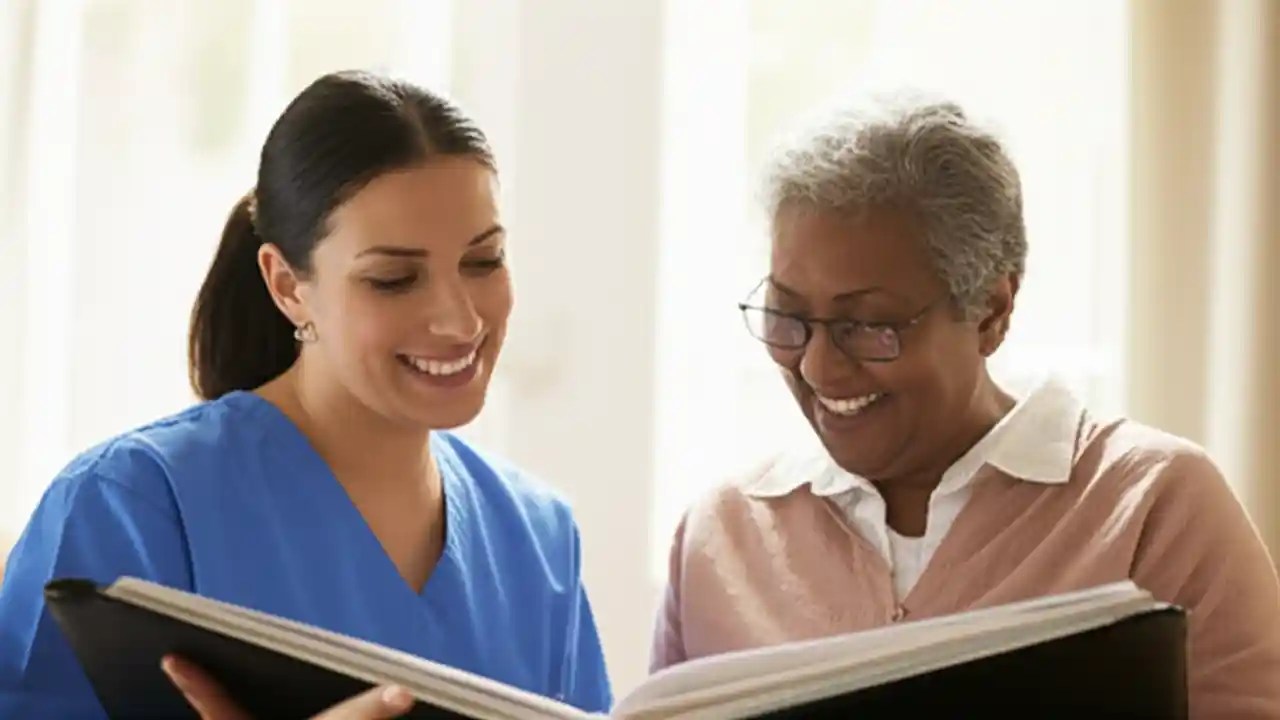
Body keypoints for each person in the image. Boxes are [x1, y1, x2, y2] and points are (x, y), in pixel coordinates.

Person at [0, 70, 612, 718]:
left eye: (483, 261)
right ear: (288, 285)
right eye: (394, 279)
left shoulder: (537, 538)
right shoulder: (133, 504)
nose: (460, 321)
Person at [649, 93, 1280, 716]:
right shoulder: (720, 536)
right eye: (788, 316)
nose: (816, 365)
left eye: (868, 325)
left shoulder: (1154, 507)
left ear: (991, 311)